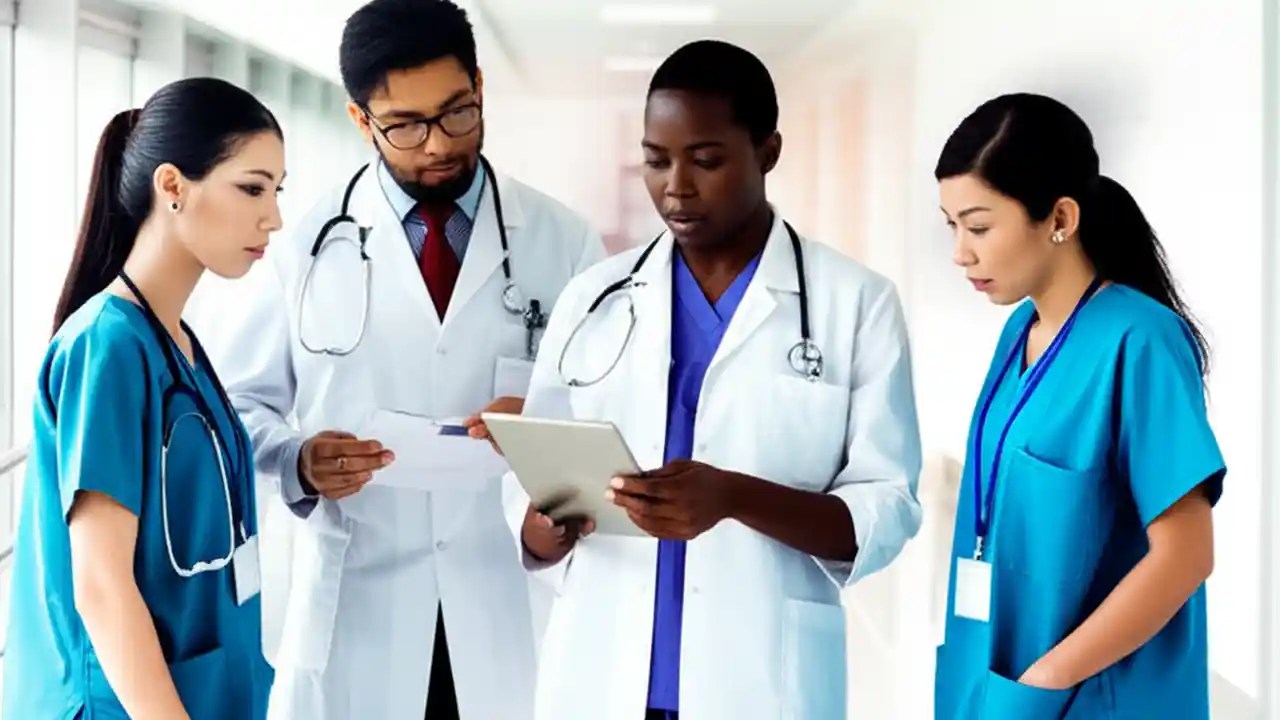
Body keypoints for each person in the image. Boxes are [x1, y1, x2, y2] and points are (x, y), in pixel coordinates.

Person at [498, 40, 922, 720]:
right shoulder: (596, 295)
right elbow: (536, 465)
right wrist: (540, 528)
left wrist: (732, 496)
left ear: (769, 151)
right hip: (602, 666)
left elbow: (888, 509)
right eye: (656, 159)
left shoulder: (855, 302)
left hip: (759, 679)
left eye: (706, 159)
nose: (676, 186)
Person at [212, 0, 606, 718]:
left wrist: (543, 428)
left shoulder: (564, 242)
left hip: (507, 605)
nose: (436, 145)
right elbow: (238, 408)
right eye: (405, 125)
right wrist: (299, 460)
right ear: (362, 120)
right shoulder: (302, 243)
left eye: (458, 112)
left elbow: (608, 423)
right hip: (360, 607)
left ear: (481, 86)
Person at [932, 93, 1225, 719]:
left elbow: (1186, 554)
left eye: (979, 226)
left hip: (1091, 697)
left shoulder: (1140, 340)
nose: (960, 251)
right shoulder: (1020, 332)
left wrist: (1046, 681)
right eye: (950, 226)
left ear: (1059, 217)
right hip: (997, 679)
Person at [1, 77, 284, 720]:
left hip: (206, 688)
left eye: (276, 190)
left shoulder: (177, 342)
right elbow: (100, 585)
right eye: (252, 187)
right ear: (173, 186)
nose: (273, 217)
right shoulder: (108, 347)